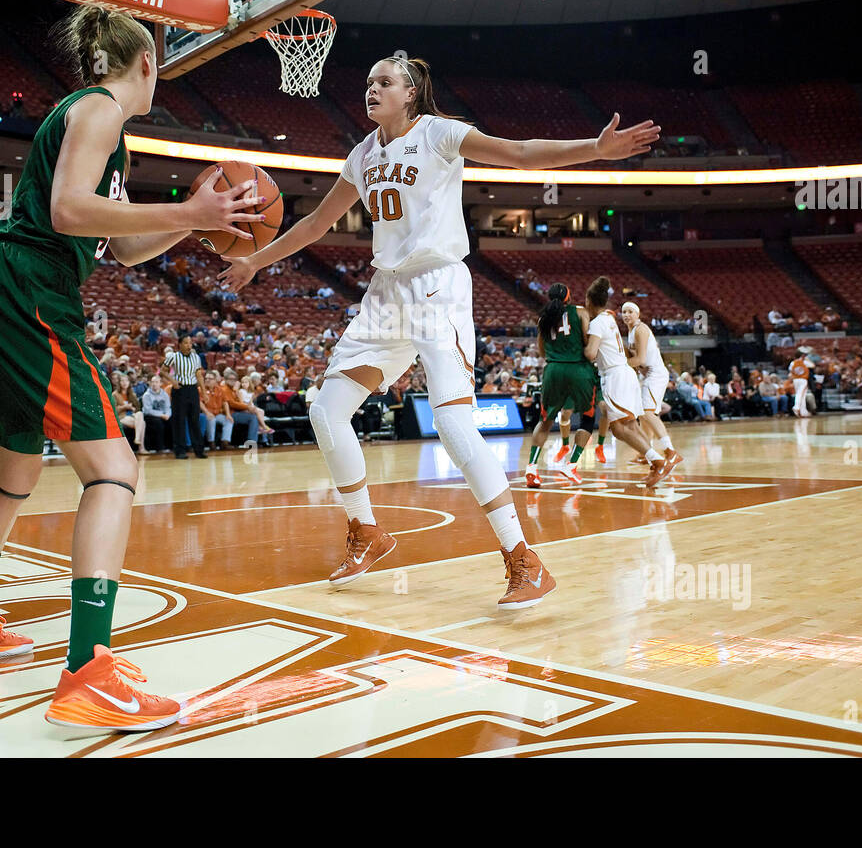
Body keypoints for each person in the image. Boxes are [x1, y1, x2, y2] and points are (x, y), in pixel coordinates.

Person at [0, 6, 264, 732]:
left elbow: (120, 246)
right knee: (113, 469)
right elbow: (70, 211)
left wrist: (192, 218)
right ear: (147, 64)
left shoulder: (96, 122)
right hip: (28, 293)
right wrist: (189, 208)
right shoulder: (103, 111)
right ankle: (88, 669)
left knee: (14, 472)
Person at [221, 52, 659, 609]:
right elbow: (316, 222)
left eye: (385, 82)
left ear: (411, 92)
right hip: (386, 293)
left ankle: (523, 558)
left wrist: (594, 149)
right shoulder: (362, 154)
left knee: (453, 426)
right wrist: (259, 260)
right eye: (369, 81)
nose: (372, 89)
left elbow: (518, 154)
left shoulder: (440, 134)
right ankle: (367, 532)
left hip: (437, 288)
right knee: (326, 410)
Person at [581, 277, 670, 488]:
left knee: (618, 429)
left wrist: (580, 347)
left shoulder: (597, 323)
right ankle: (653, 461)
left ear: (589, 301)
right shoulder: (609, 319)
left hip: (615, 377)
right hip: (626, 374)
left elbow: (591, 353)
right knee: (630, 423)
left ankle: (658, 460)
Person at [524, 284, 598, 488]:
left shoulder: (543, 318)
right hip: (578, 369)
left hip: (553, 369)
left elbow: (541, 351)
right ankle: (571, 464)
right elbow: (586, 342)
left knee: (545, 420)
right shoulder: (580, 312)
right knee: (588, 416)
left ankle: (531, 467)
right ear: (568, 296)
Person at [619, 302, 682, 478]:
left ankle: (670, 451)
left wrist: (618, 366)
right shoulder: (630, 331)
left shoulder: (641, 329)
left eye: (630, 311)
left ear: (638, 314)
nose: (626, 315)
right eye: (624, 312)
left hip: (656, 375)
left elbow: (639, 359)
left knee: (647, 413)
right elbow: (636, 359)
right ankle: (645, 452)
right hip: (646, 375)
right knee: (643, 414)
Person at [161, 338, 207, 458]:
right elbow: (163, 371)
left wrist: (204, 392)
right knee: (179, 421)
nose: (189, 345)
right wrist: (172, 381)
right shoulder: (173, 356)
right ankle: (180, 451)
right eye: (186, 343)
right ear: (180, 344)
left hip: (193, 390)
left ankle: (199, 450)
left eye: (190, 343)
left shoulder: (196, 357)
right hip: (179, 389)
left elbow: (199, 375)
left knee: (195, 420)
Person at [140, 374, 172, 452]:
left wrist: (167, 415)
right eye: (152, 382)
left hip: (163, 415)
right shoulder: (146, 395)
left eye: (156, 382)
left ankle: (171, 446)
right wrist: (162, 415)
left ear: (160, 383)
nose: (154, 384)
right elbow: (148, 410)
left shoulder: (164, 394)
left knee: (172, 421)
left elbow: (168, 407)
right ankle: (159, 448)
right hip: (149, 416)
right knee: (158, 423)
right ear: (150, 384)